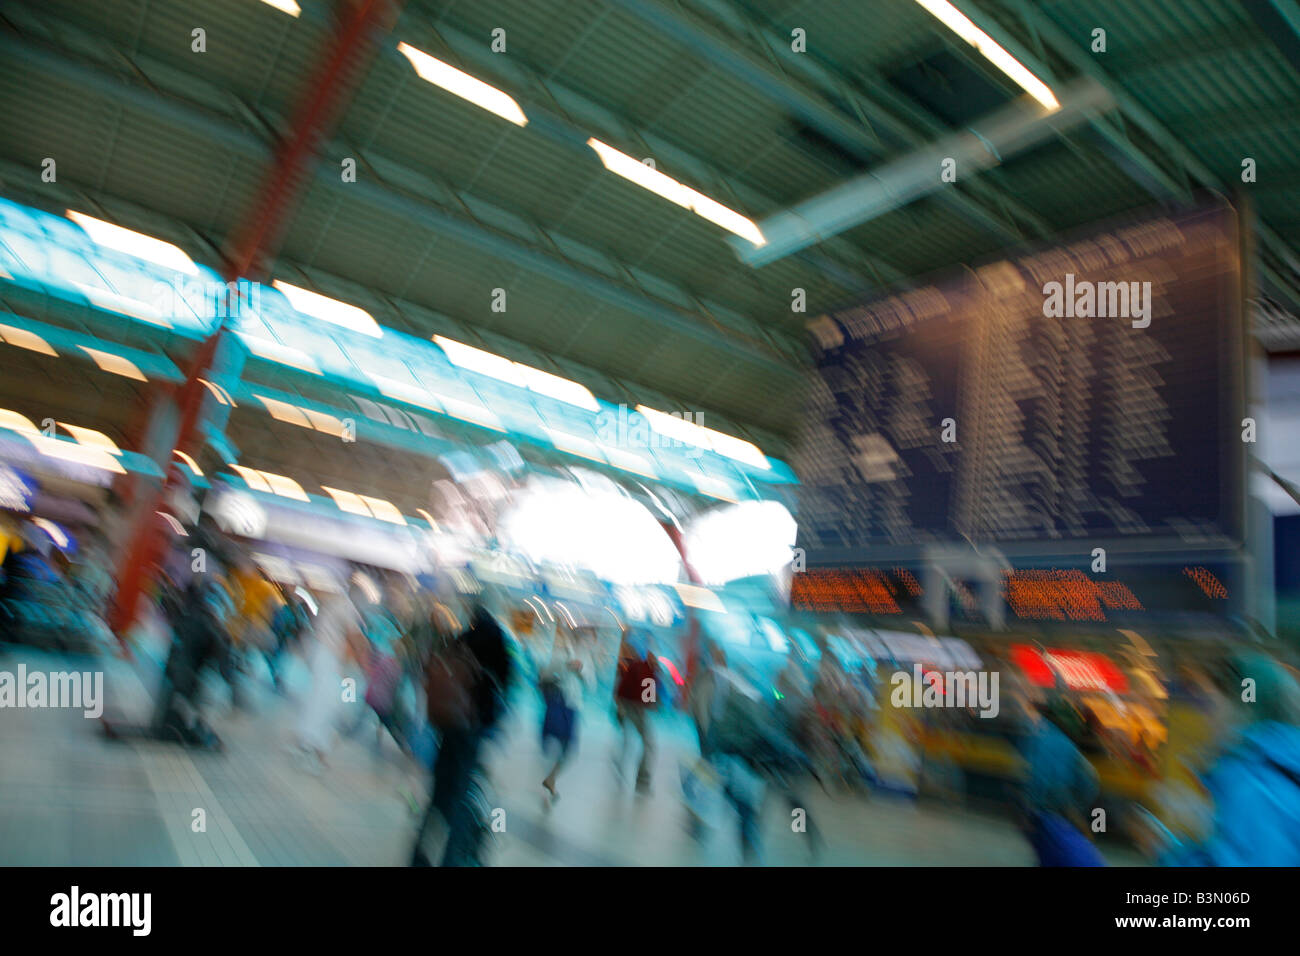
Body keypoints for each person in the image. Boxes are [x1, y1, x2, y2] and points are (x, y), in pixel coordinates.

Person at [1146, 652, 1300, 866]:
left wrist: (1167, 850)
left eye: (1214, 704)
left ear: (1244, 709)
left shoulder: (1253, 786)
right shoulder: (1276, 770)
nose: (1208, 716)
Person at [411, 602, 512, 867]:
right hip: (471, 729)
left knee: (438, 798)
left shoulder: (462, 639)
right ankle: (452, 859)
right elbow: (503, 688)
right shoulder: (497, 641)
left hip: (446, 729)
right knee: (459, 800)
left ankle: (418, 859)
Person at [1018, 693, 1105, 867]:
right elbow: (1090, 782)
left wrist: (1028, 805)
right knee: (1062, 853)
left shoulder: (1035, 739)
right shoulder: (1070, 747)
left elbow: (1027, 773)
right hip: (1060, 812)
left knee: (1046, 854)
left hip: (1036, 811)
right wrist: (1078, 807)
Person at [291, 578, 367, 774]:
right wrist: (364, 659)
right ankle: (311, 749)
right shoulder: (345, 605)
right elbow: (354, 635)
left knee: (321, 700)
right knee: (327, 703)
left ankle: (312, 748)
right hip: (329, 656)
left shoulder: (335, 601)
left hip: (325, 656)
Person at [539, 629, 591, 801]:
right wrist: (564, 668)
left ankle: (551, 778)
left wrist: (580, 670)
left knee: (567, 749)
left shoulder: (586, 660)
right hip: (560, 704)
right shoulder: (561, 655)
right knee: (555, 744)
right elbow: (546, 675)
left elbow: (591, 684)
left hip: (572, 706)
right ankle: (550, 778)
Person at [614, 632, 659, 793]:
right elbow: (624, 688)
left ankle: (639, 777)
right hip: (631, 708)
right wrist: (620, 705)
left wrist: (652, 703)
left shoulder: (650, 671)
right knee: (640, 742)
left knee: (638, 742)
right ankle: (639, 778)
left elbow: (649, 698)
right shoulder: (640, 668)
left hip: (635, 709)